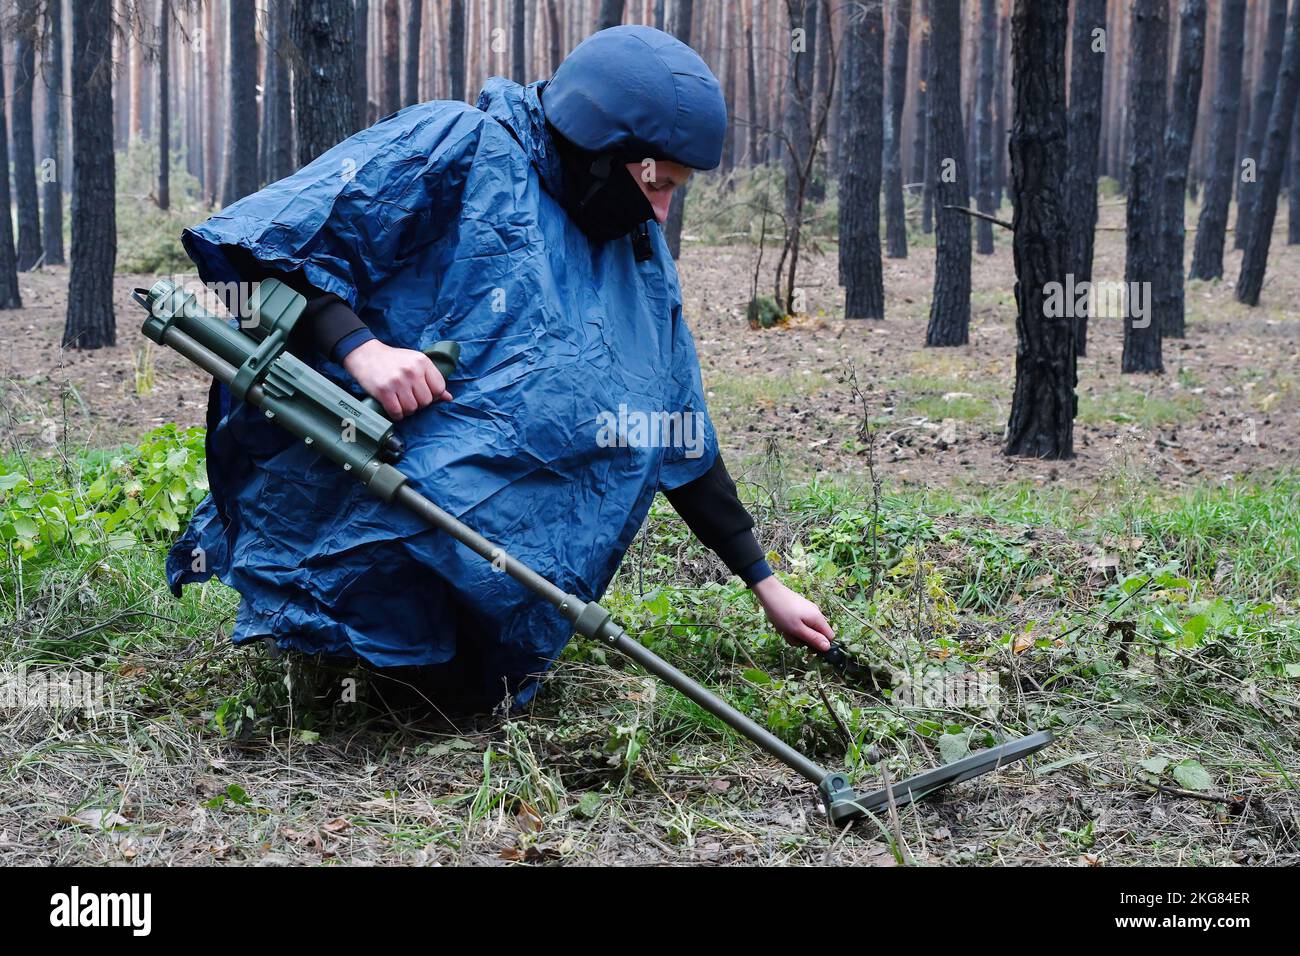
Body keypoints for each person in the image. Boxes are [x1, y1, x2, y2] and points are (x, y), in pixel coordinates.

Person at [169, 26, 834, 710]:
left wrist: (765, 583)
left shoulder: (639, 257)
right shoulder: (459, 146)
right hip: (377, 480)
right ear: (599, 148)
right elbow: (269, 247)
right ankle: (358, 640)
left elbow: (674, 421)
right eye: (654, 182)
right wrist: (361, 349)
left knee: (454, 699)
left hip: (502, 600)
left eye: (675, 189)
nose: (662, 210)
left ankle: (450, 654)